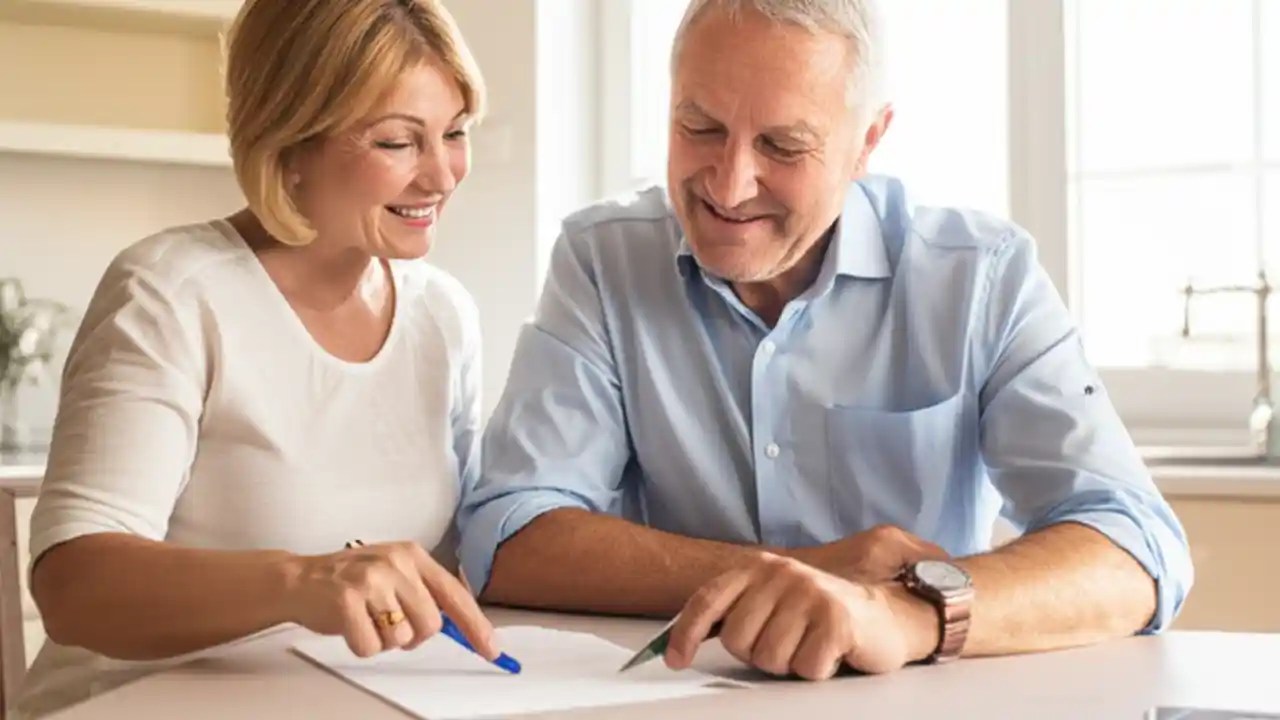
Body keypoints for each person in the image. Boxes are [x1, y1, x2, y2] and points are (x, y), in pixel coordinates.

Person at [459, 0, 1194, 682]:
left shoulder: (980, 280)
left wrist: (903, 613)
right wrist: (807, 571)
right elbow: (508, 537)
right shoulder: (601, 262)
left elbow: (1136, 551)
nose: (730, 182)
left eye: (783, 144)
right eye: (700, 127)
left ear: (867, 140)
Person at [17, 1, 501, 717]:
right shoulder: (172, 293)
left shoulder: (443, 314)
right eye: (399, 142)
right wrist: (303, 582)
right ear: (290, 143)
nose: (442, 175)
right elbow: (74, 588)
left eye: (454, 133)